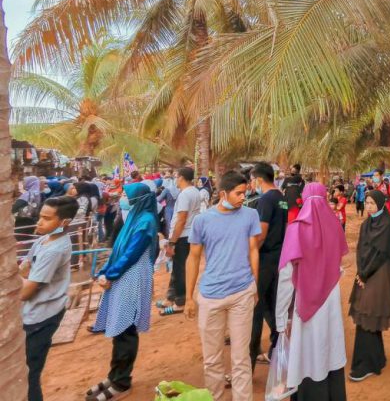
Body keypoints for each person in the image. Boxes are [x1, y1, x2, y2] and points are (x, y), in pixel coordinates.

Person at [185, 171, 260, 401]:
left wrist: (254, 285)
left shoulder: (250, 215)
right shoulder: (202, 221)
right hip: (210, 297)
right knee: (212, 359)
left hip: (242, 293)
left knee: (241, 358)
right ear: (223, 194)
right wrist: (188, 297)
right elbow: (193, 258)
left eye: (245, 193)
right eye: (238, 193)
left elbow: (253, 250)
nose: (243, 197)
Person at [85, 183, 158, 401]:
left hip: (133, 275)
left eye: (126, 195)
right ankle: (114, 375)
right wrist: (105, 270)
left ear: (139, 198)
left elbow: (132, 254)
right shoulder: (135, 217)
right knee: (119, 326)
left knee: (126, 328)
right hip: (123, 274)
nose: (123, 198)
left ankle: (122, 382)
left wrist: (111, 274)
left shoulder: (146, 221)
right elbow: (119, 249)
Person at [276, 183, 349, 399]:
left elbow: (286, 277)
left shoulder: (296, 229)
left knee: (307, 348)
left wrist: (281, 317)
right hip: (330, 296)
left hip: (305, 298)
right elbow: (337, 263)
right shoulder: (334, 225)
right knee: (330, 343)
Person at [20, 196, 78, 401]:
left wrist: (20, 282)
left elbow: (25, 292)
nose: (39, 222)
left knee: (29, 374)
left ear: (64, 222)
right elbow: (25, 267)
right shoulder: (43, 239)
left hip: (41, 316)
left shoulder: (55, 249)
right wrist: (24, 278)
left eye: (46, 218)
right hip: (34, 310)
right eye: (40, 217)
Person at [349, 190, 390, 382]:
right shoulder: (366, 223)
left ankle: (366, 364)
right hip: (365, 272)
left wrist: (364, 274)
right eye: (367, 202)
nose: (369, 206)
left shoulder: (385, 225)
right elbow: (360, 250)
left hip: (379, 272)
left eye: (372, 203)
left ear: (380, 204)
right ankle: (376, 359)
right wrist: (360, 272)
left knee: (368, 314)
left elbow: (380, 254)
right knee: (366, 315)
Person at [249, 162, 288, 368]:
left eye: (252, 180)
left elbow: (261, 234)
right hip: (278, 257)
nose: (251, 184)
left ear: (258, 179)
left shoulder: (265, 200)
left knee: (256, 306)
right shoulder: (281, 197)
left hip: (264, 259)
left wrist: (250, 255)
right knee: (272, 305)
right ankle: (277, 347)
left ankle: (251, 354)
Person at [158, 167, 201, 315]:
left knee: (181, 269)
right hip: (187, 234)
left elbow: (181, 219)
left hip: (183, 236)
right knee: (177, 268)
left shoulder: (185, 194)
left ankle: (180, 302)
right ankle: (171, 297)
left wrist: (172, 242)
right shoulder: (194, 191)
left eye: (176, 176)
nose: (175, 179)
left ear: (181, 178)